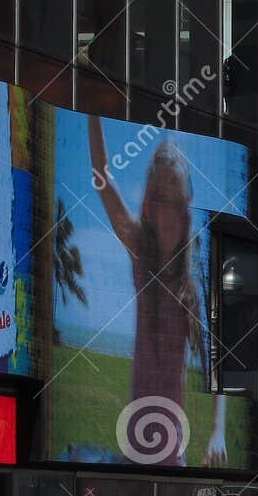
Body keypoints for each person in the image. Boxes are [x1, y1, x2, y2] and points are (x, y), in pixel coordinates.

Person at [89, 116, 227, 467]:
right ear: (149, 205)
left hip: (172, 455)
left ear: (186, 211)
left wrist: (217, 431)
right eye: (160, 199)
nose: (168, 214)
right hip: (132, 449)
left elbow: (218, 363)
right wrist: (92, 113)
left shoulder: (190, 287)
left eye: (176, 202)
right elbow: (103, 184)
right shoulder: (141, 256)